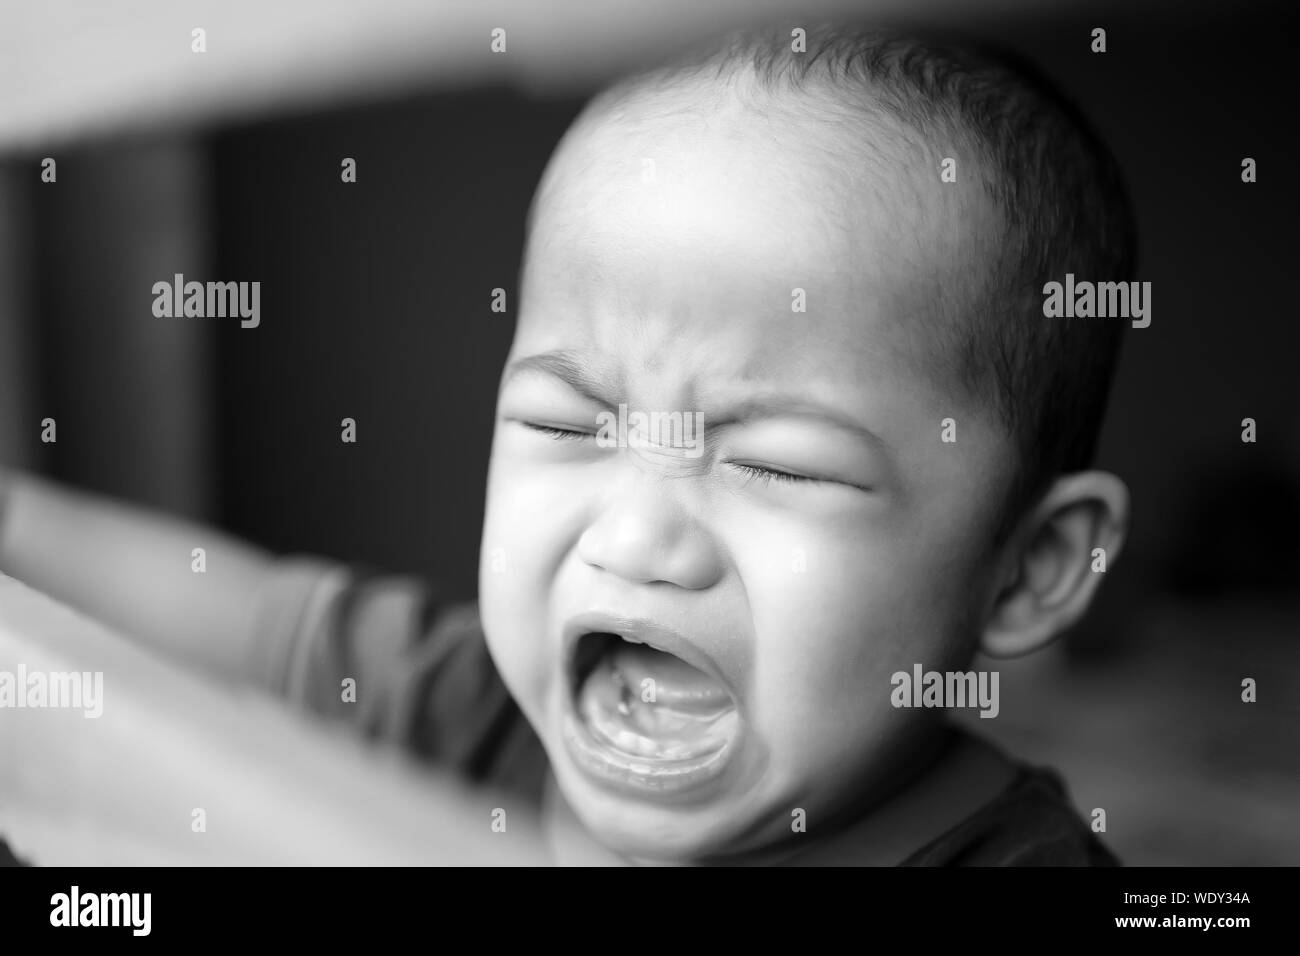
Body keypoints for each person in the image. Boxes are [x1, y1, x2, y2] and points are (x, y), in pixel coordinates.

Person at [0, 23, 1135, 865]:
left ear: (1029, 566)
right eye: (566, 423)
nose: (636, 538)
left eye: (779, 460)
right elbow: (218, 615)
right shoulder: (463, 710)